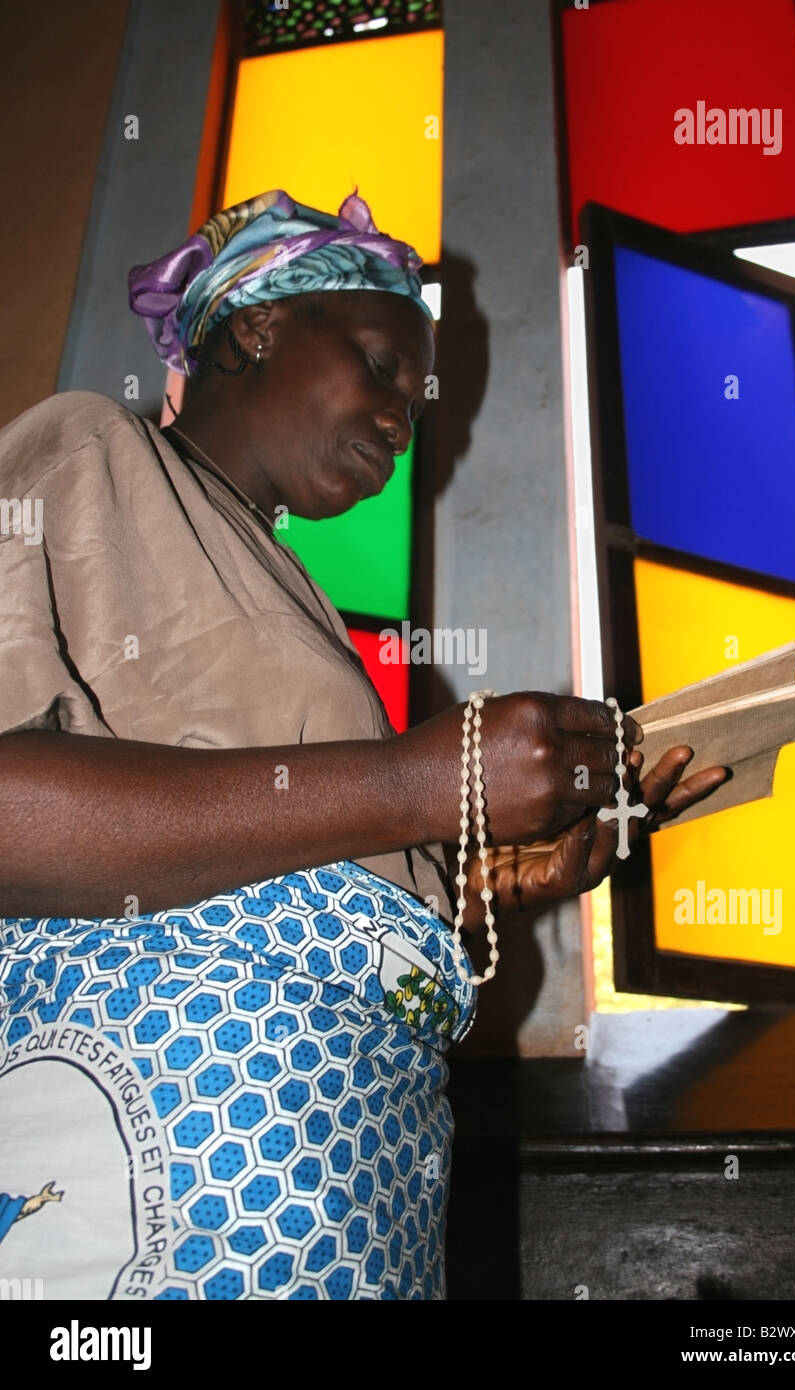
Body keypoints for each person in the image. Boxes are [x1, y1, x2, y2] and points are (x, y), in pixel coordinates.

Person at [0, 188, 727, 1301]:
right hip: (171, 1164)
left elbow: (269, 856)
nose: (403, 418)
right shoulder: (88, 447)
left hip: (342, 1182)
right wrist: (409, 781)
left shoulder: (300, 598)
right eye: (385, 366)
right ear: (255, 324)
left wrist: (481, 875)